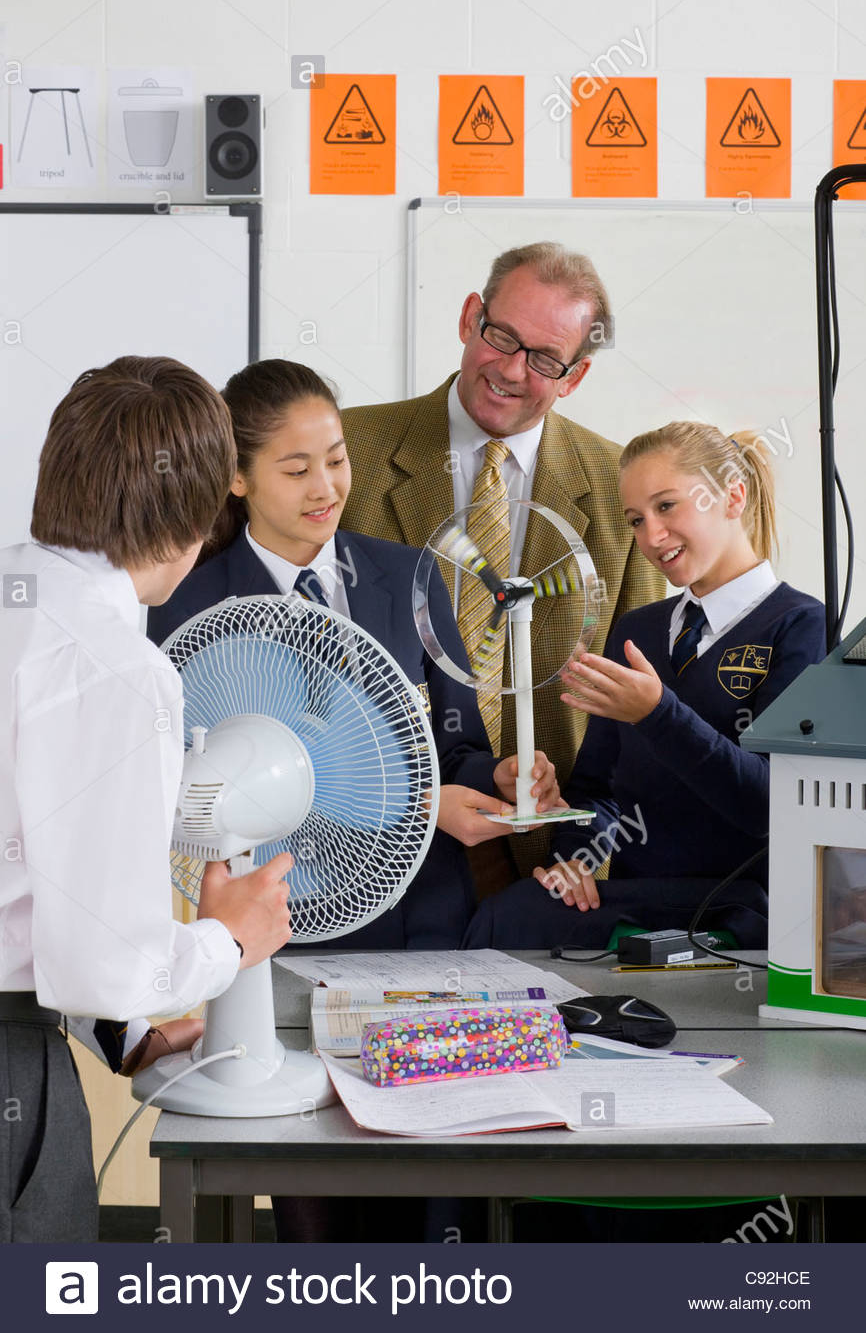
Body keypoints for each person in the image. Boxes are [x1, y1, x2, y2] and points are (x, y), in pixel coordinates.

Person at [0, 357, 293, 1243]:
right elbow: (102, 958)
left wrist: (122, 1029)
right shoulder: (120, 671)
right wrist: (228, 940)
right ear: (202, 519)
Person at [147, 358, 560, 952]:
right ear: (237, 478)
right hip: (278, 913)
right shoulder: (190, 603)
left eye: (337, 460)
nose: (326, 488)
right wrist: (421, 808)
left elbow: (454, 744)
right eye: (296, 470)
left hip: (423, 912)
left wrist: (496, 776)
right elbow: (189, 785)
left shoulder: (410, 574)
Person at [339, 241, 665, 890]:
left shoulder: (618, 485)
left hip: (553, 873)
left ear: (574, 376)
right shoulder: (345, 454)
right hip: (372, 854)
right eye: (501, 337)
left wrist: (593, 855)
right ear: (468, 318)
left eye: (544, 359)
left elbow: (633, 720)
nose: (512, 370)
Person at [463, 421, 826, 950]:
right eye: (635, 519)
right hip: (637, 900)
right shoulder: (638, 631)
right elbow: (597, 789)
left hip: (742, 906)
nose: (651, 537)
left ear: (733, 496)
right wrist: (575, 862)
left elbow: (771, 806)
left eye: (667, 507)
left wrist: (659, 714)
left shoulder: (801, 626)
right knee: (505, 918)